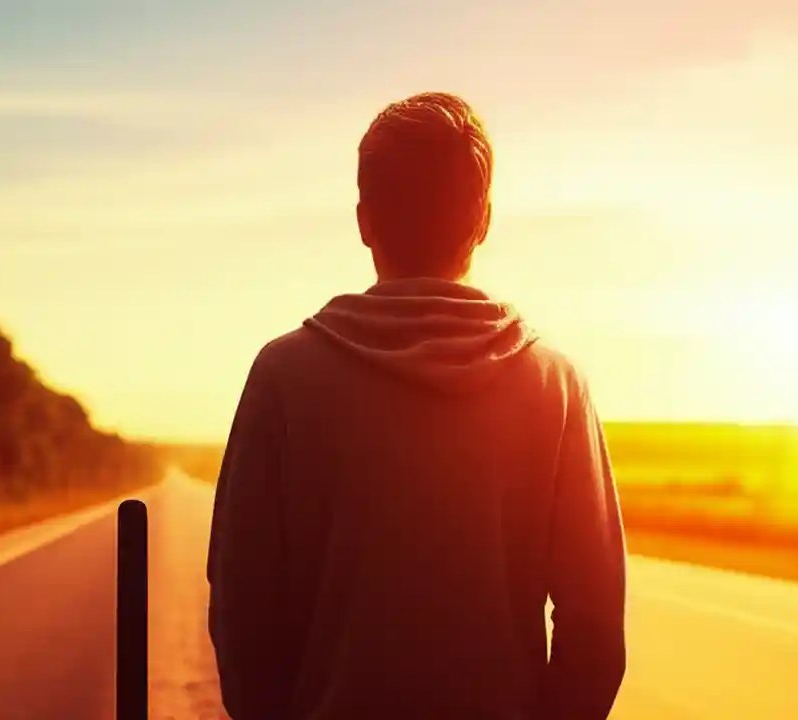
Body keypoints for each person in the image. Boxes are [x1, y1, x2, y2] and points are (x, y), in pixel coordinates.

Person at [207, 92, 626, 720]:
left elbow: (242, 611)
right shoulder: (555, 384)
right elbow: (594, 631)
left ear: (364, 220)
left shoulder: (284, 375)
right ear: (483, 218)